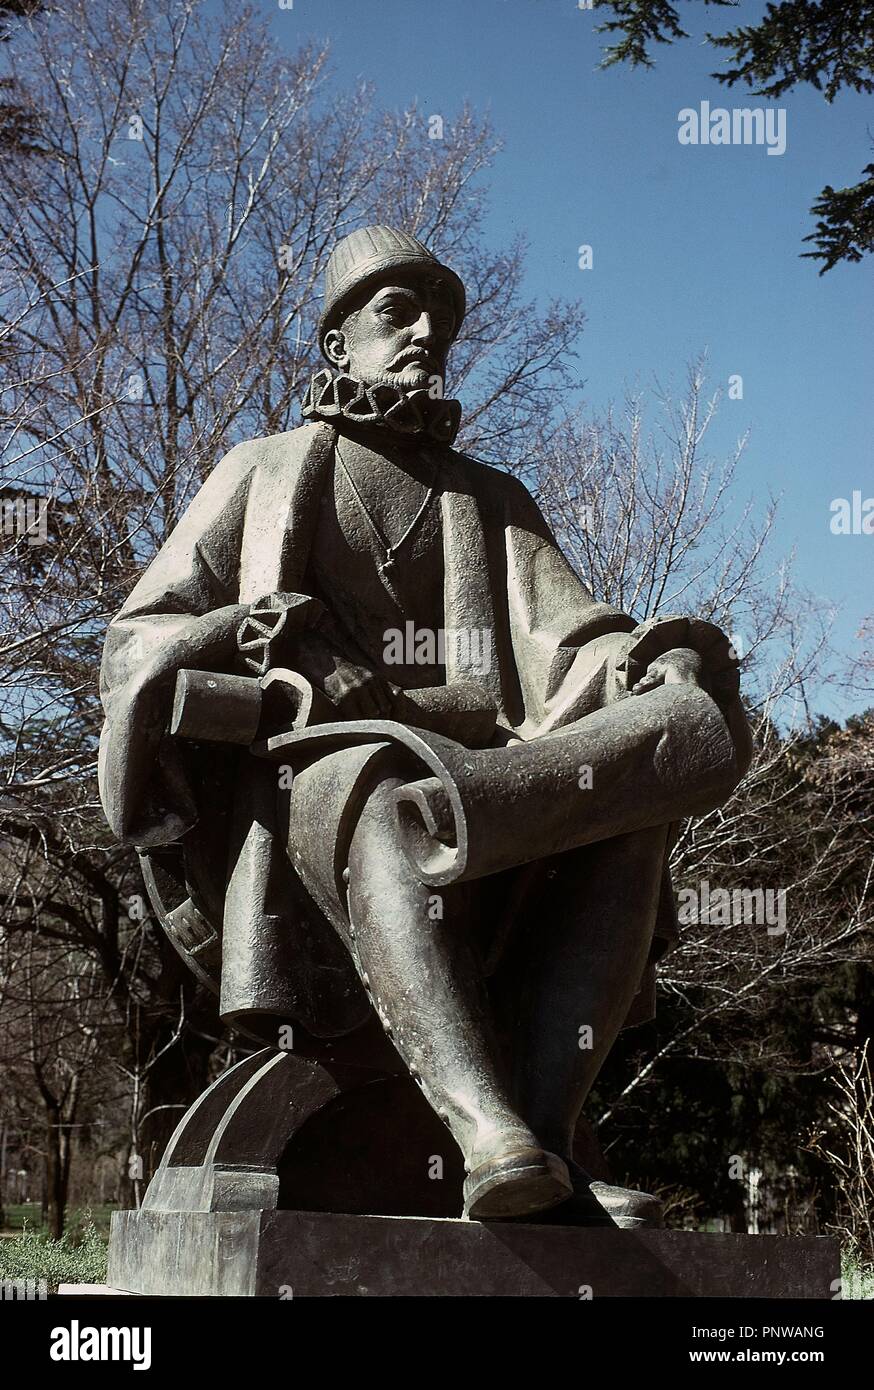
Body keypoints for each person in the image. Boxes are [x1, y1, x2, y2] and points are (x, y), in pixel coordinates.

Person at [99, 226, 751, 1223]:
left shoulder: (488, 498)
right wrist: (272, 637)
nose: (425, 336)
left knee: (627, 814)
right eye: (395, 313)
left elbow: (571, 642)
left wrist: (648, 666)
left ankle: (543, 1141)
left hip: (490, 771)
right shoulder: (263, 468)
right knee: (388, 800)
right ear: (337, 344)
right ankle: (484, 1129)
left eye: (438, 320)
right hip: (314, 772)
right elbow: (144, 634)